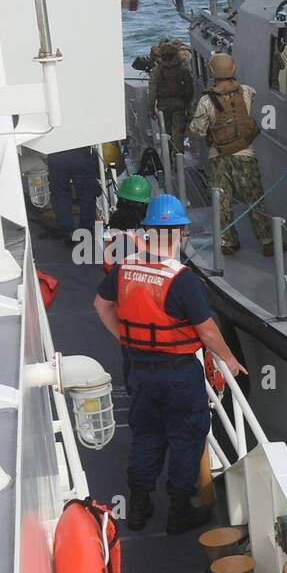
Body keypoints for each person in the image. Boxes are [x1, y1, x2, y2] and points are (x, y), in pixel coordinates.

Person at [93, 194, 247, 535]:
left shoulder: (124, 268)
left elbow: (101, 304)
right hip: (177, 372)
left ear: (148, 231)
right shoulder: (183, 280)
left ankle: (138, 506)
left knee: (147, 434)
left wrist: (125, 337)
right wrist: (231, 360)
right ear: (179, 233)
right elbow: (207, 331)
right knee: (186, 436)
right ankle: (179, 510)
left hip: (137, 367)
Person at [189, 53, 272, 256]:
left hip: (218, 157)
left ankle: (228, 242)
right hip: (245, 154)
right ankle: (267, 241)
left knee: (221, 201)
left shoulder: (206, 101)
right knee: (254, 198)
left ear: (211, 71)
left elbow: (198, 130)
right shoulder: (247, 92)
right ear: (233, 68)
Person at [45, 146, 101, 243]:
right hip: (80, 152)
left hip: (55, 152)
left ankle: (68, 231)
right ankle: (85, 231)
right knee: (86, 192)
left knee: (60, 193)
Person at [151, 39, 195, 152]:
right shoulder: (182, 67)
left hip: (163, 105)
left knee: (166, 133)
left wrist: (151, 108)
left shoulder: (157, 70)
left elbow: (152, 91)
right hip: (179, 104)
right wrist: (187, 101)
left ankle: (168, 158)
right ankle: (177, 157)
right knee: (178, 133)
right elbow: (189, 86)